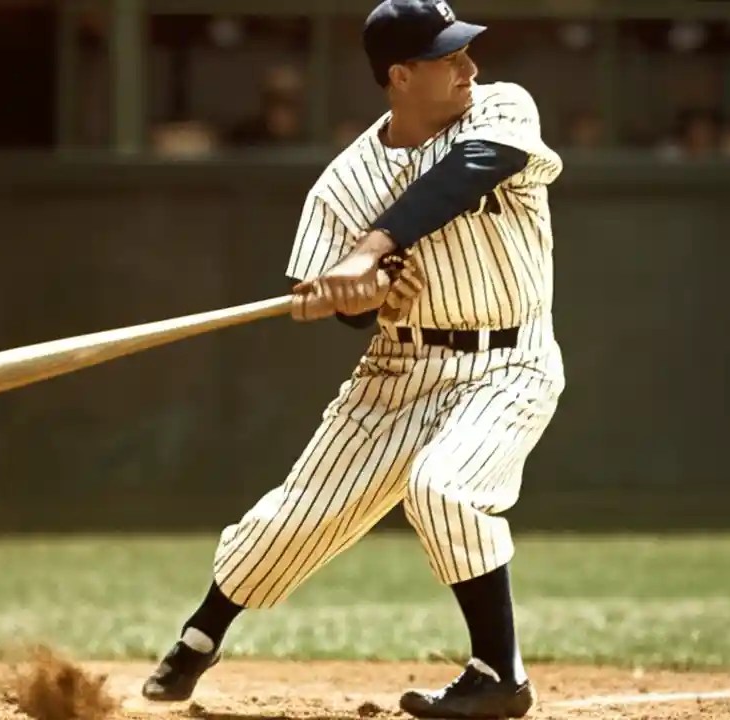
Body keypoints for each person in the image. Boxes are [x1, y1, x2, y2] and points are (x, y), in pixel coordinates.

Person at [142, 1, 566, 717]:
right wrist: (353, 299)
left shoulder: (501, 110)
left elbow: (466, 175)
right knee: (292, 521)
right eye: (448, 57)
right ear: (400, 76)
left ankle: (500, 674)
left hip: (509, 361)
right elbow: (352, 310)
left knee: (445, 488)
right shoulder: (341, 184)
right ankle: (200, 637)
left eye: (466, 50)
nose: (470, 66)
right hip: (398, 374)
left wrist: (372, 248)